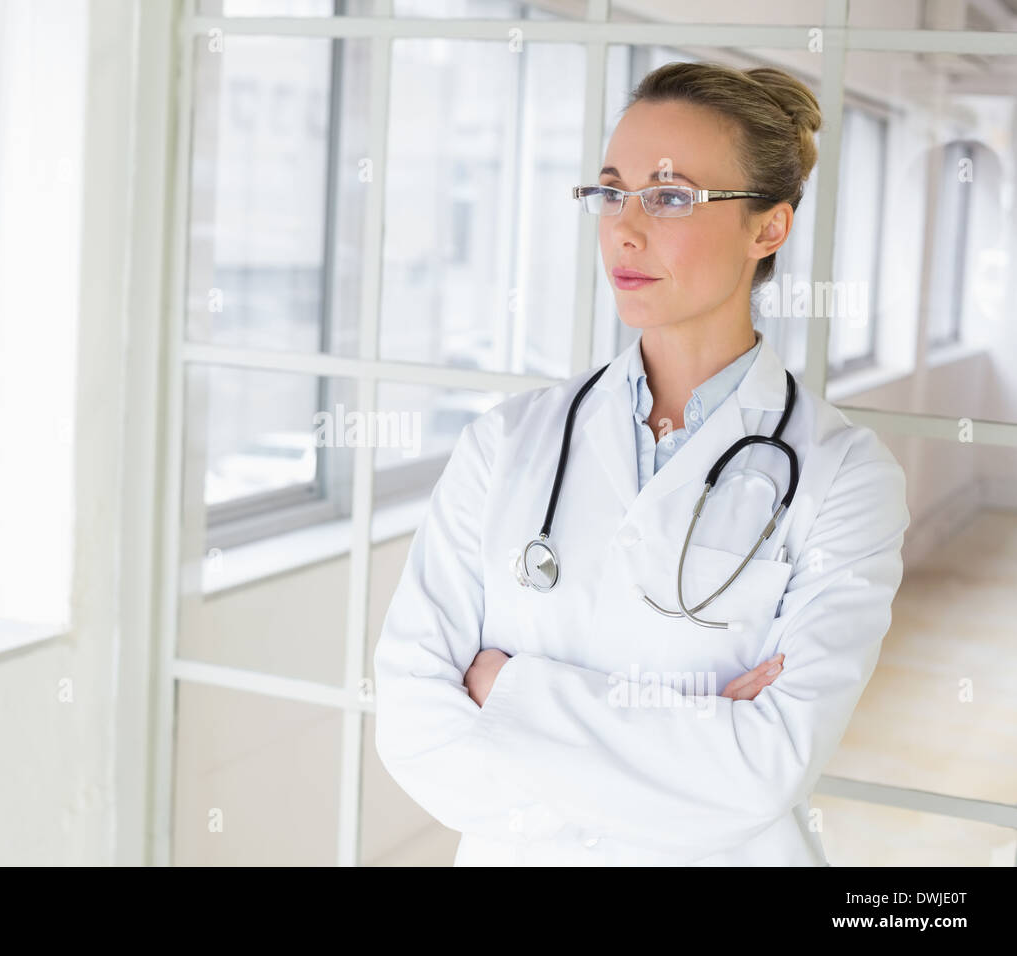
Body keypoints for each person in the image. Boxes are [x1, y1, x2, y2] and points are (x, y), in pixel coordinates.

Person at [372, 61, 910, 866]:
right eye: (611, 190)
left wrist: (510, 693)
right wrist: (683, 761)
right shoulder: (507, 444)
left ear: (768, 228)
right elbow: (414, 725)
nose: (624, 227)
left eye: (670, 197)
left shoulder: (845, 477)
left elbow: (765, 769)